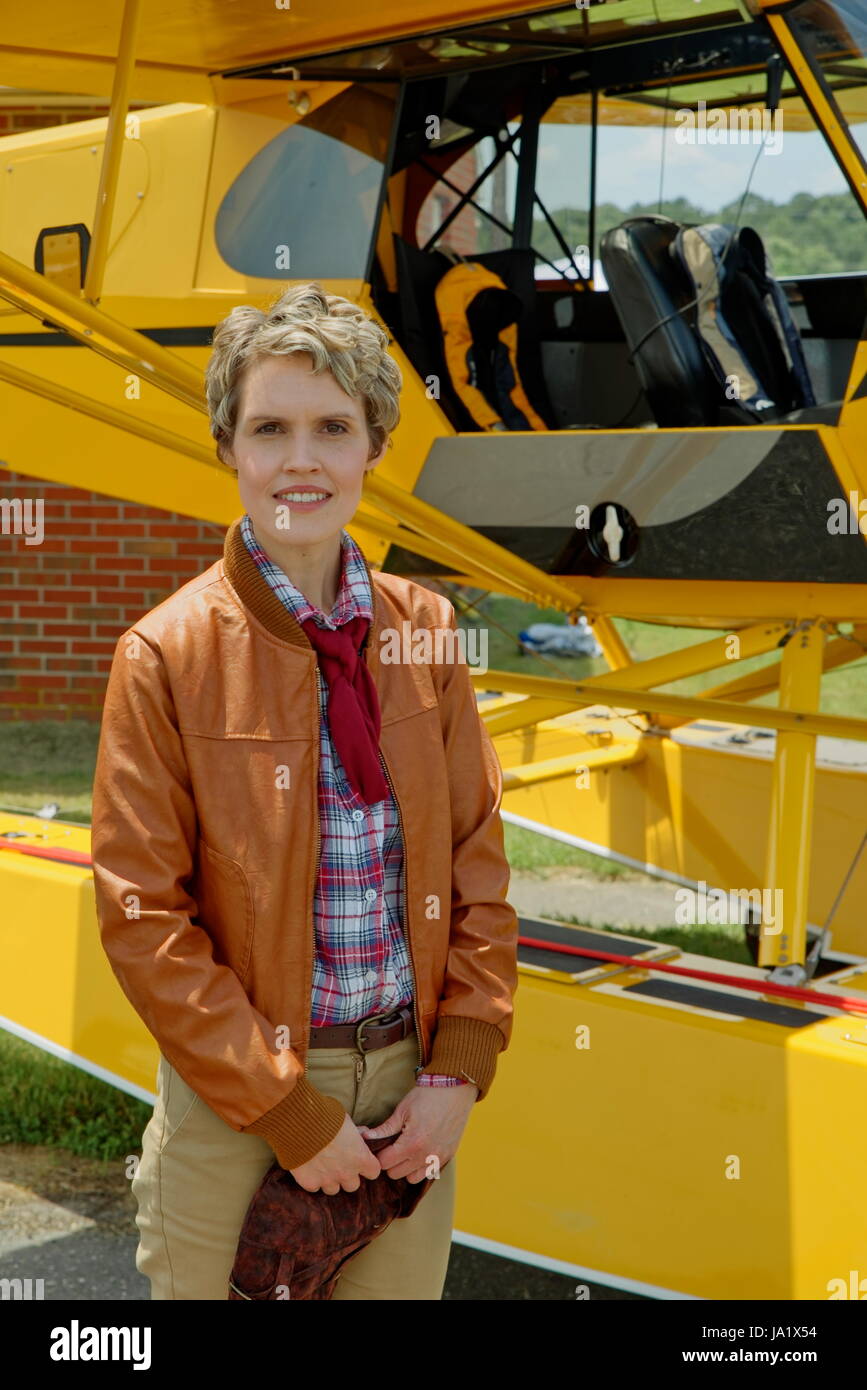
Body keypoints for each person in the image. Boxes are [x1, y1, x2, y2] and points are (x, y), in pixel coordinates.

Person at [90, 281, 519, 1301]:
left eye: (333, 427)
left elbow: (480, 865)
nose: (300, 460)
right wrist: (287, 1108)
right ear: (228, 447)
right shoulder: (165, 652)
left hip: (412, 1091)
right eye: (269, 428)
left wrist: (459, 1067)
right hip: (243, 1098)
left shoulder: (426, 630)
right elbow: (144, 916)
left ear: (374, 443)